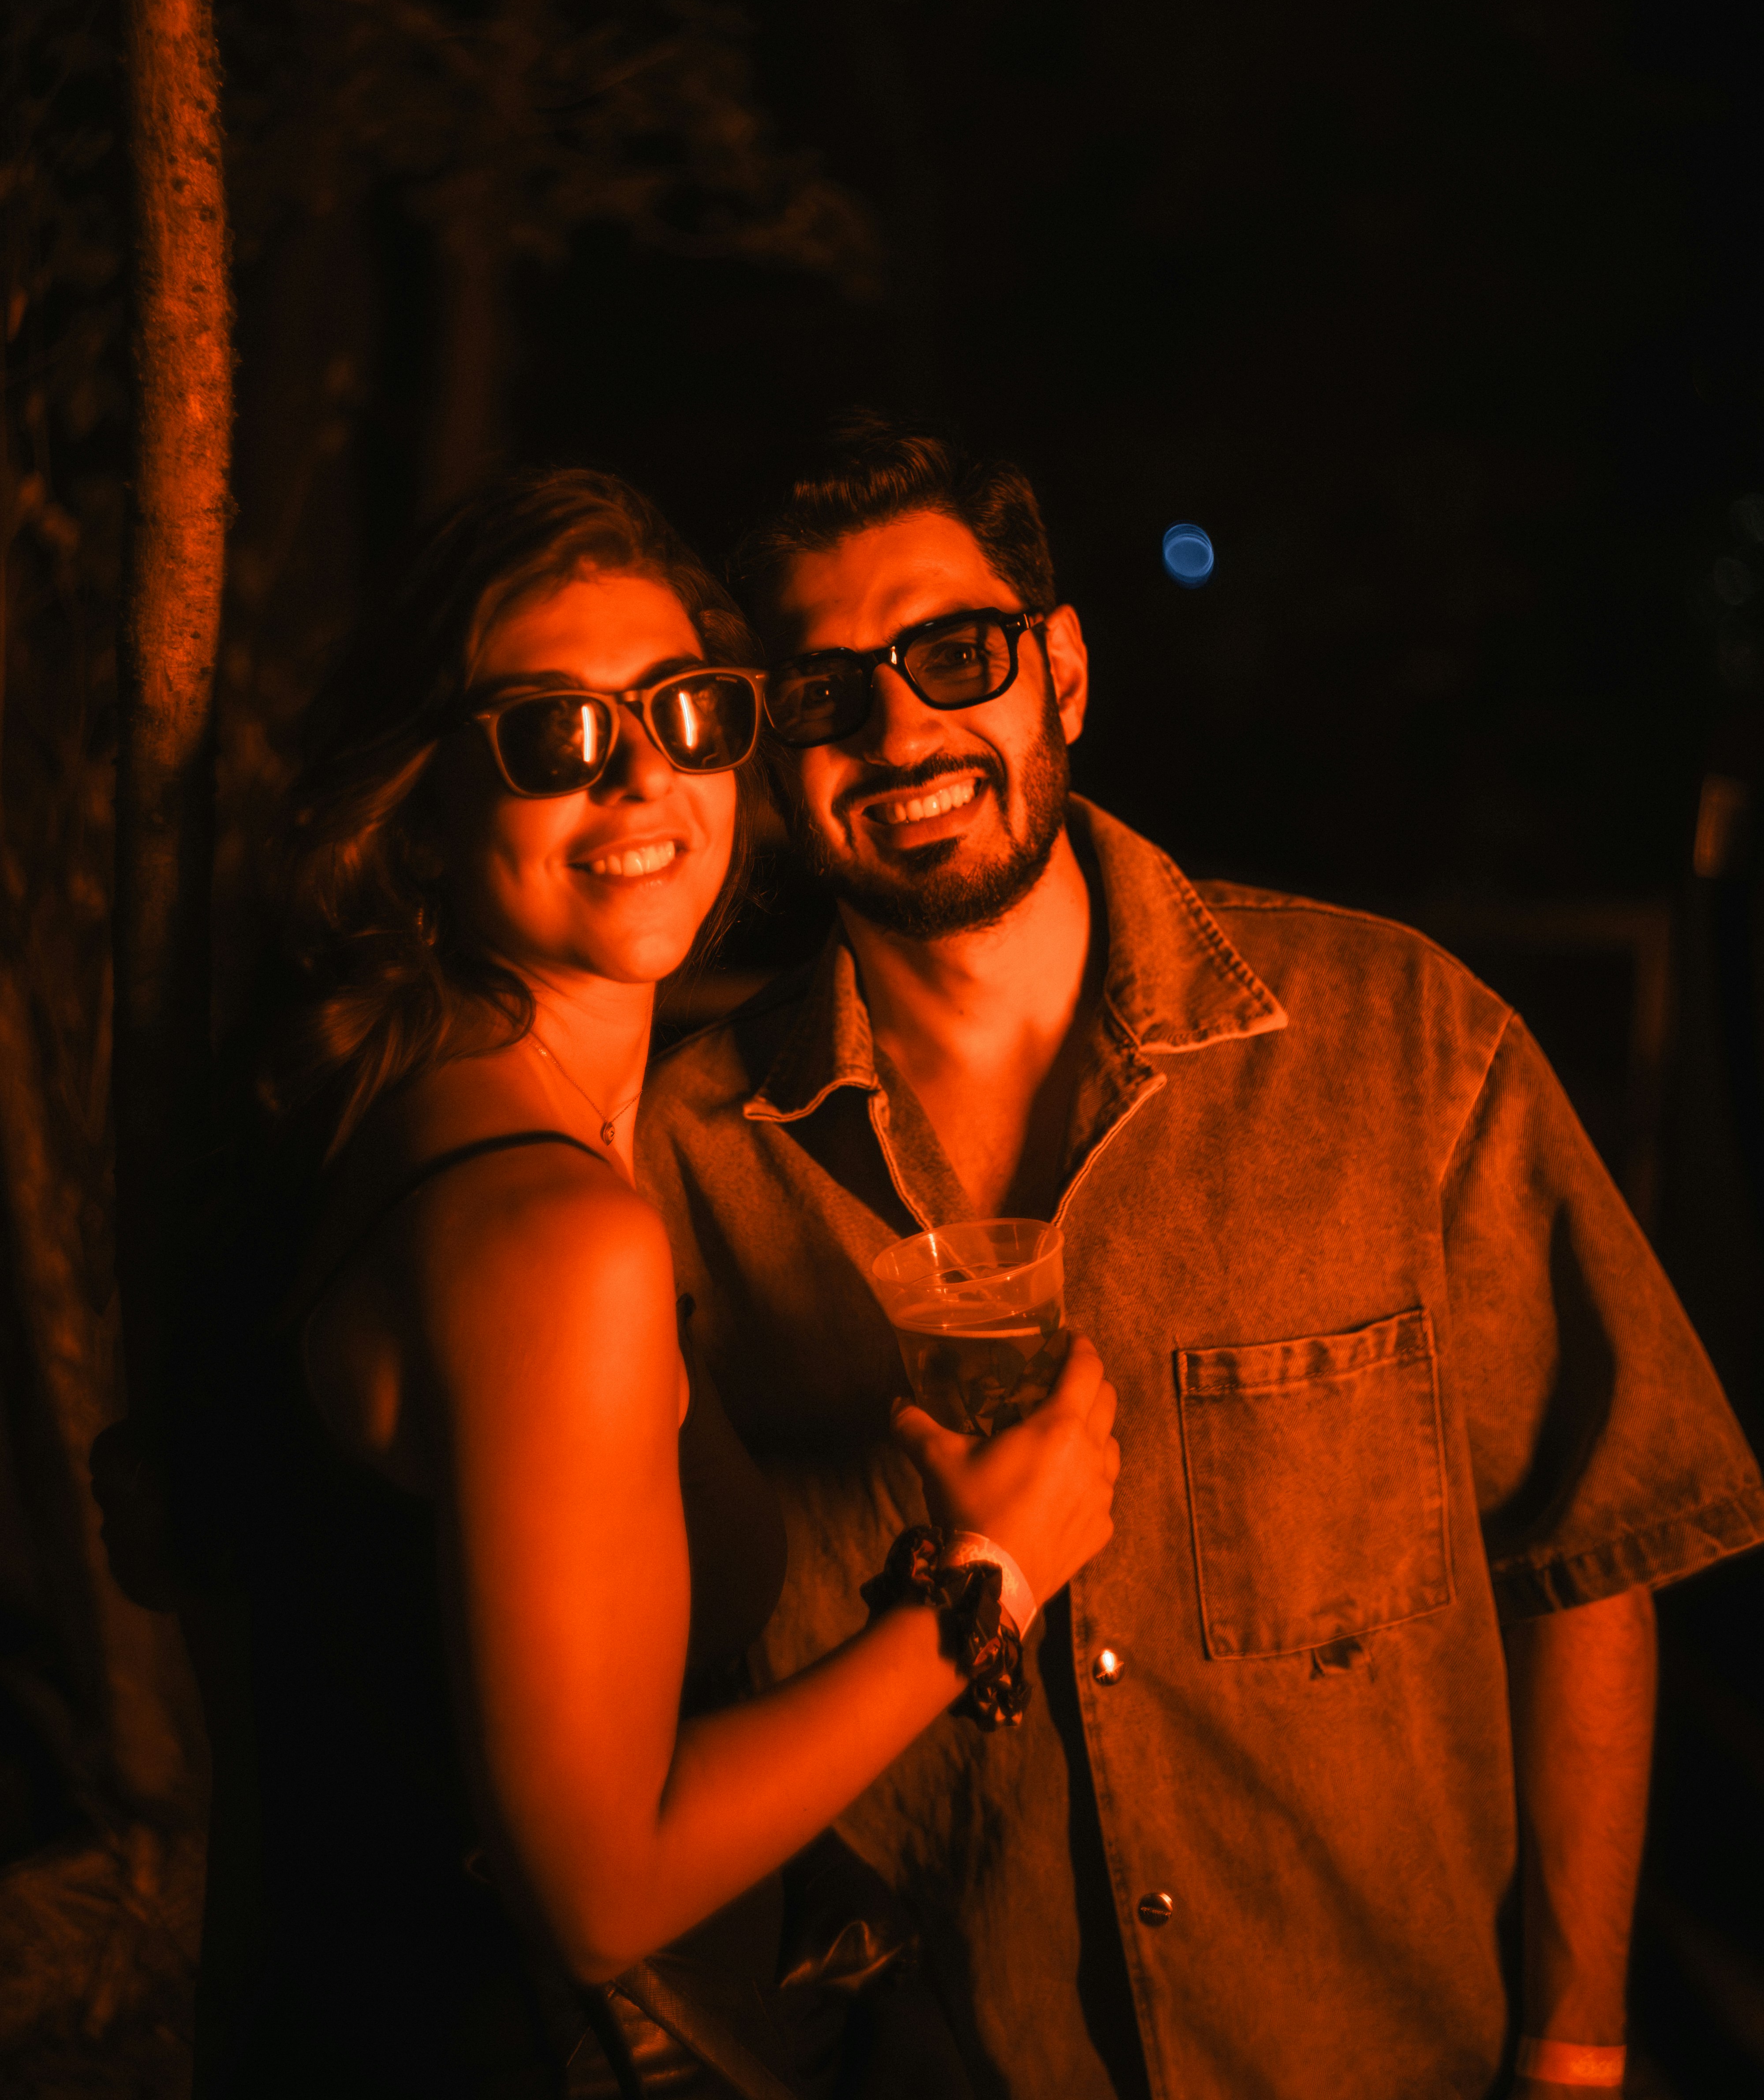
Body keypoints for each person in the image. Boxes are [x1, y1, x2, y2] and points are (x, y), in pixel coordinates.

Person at [636, 415, 1764, 2100]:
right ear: (772, 760)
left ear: (1063, 674)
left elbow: (1595, 1551)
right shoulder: (684, 1167)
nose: (901, 725)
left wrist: (1578, 2048)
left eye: (956, 652)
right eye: (823, 688)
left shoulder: (1403, 1050)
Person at [174, 468, 1119, 2100]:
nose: (641, 779)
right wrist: (988, 1583)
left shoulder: (438, 1116)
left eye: (691, 712)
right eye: (552, 736)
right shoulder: (556, 1237)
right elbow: (599, 1895)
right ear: (419, 810)